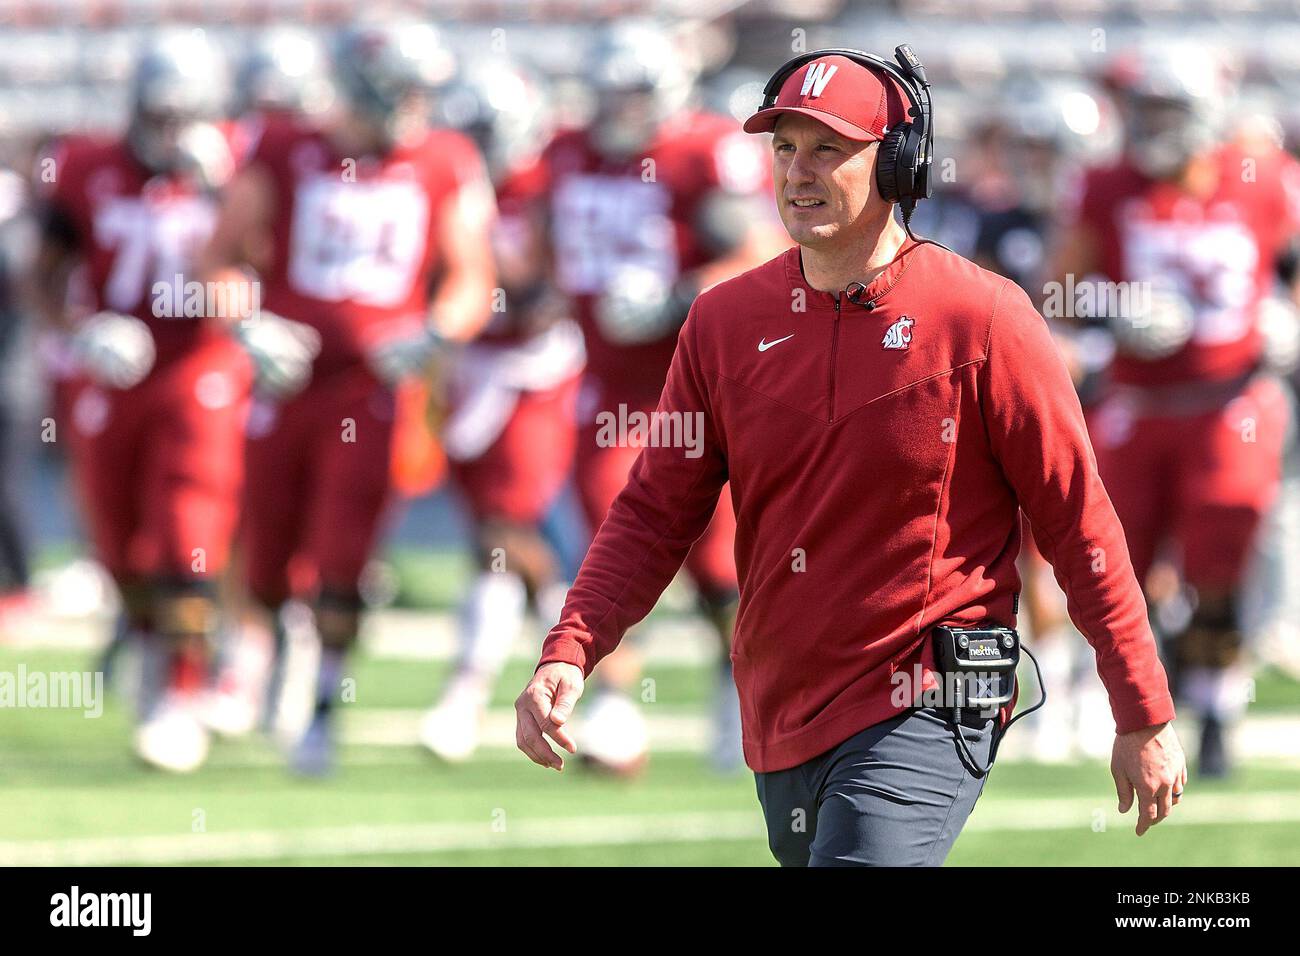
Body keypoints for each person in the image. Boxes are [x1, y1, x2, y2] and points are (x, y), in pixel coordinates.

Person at [515, 48, 1185, 866]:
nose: (799, 173)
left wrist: (1140, 707)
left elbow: (1079, 523)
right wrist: (572, 648)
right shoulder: (723, 322)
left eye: (828, 149)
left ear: (899, 162)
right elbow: (654, 511)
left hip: (929, 698)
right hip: (784, 703)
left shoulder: (983, 319)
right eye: (785, 149)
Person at [195, 21, 496, 774]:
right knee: (263, 558)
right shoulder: (286, 148)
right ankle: (269, 647)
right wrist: (248, 327)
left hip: (374, 386)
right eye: (405, 89)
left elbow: (470, 277)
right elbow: (219, 258)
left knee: (344, 553)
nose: (417, 106)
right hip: (287, 378)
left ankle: (323, 707)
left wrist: (434, 334)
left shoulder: (442, 160)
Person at [513, 20, 785, 773]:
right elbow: (536, 250)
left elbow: (762, 253)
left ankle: (742, 697)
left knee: (719, 565)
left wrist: (673, 298)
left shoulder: (700, 151)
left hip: (701, 385)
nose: (615, 108)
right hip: (609, 387)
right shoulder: (567, 153)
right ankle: (612, 709)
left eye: (630, 93)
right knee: (609, 539)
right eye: (606, 93)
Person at [1053, 42, 1300, 777]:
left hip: (1231, 402)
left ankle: (1218, 703)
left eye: (1165, 109)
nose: (1149, 123)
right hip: (1136, 401)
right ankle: (1157, 682)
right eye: (1144, 107)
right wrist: (1107, 316)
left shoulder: (1264, 180)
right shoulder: (1106, 185)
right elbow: (1055, 292)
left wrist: (1287, 318)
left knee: (1220, 554)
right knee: (1118, 562)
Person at [29, 30, 246, 772]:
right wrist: (79, 331)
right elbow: (42, 273)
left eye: (185, 115)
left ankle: (184, 692)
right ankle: (155, 654)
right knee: (119, 545)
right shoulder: (89, 165)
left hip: (199, 369)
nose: (170, 131)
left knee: (189, 528)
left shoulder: (236, 168)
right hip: (112, 376)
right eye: (160, 114)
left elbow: (265, 270)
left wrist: (223, 196)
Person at [419, 54, 587, 762]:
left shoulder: (546, 184)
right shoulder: (443, 180)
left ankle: (469, 690)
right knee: (489, 542)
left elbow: (554, 286)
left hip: (529, 370)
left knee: (501, 530)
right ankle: (577, 644)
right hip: (464, 368)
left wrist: (500, 275)